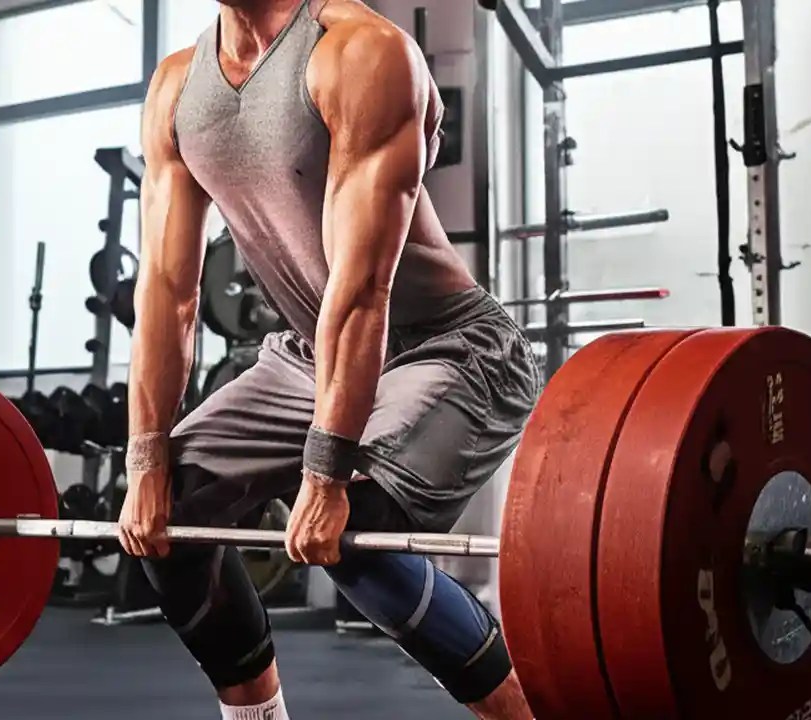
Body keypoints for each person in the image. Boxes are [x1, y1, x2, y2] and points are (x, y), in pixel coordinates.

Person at [116, 1, 541, 718]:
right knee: (170, 515)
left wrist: (326, 470)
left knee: (355, 531)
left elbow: (362, 286)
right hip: (307, 355)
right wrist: (145, 459)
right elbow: (165, 291)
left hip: (452, 350)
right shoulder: (176, 88)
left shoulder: (363, 56)